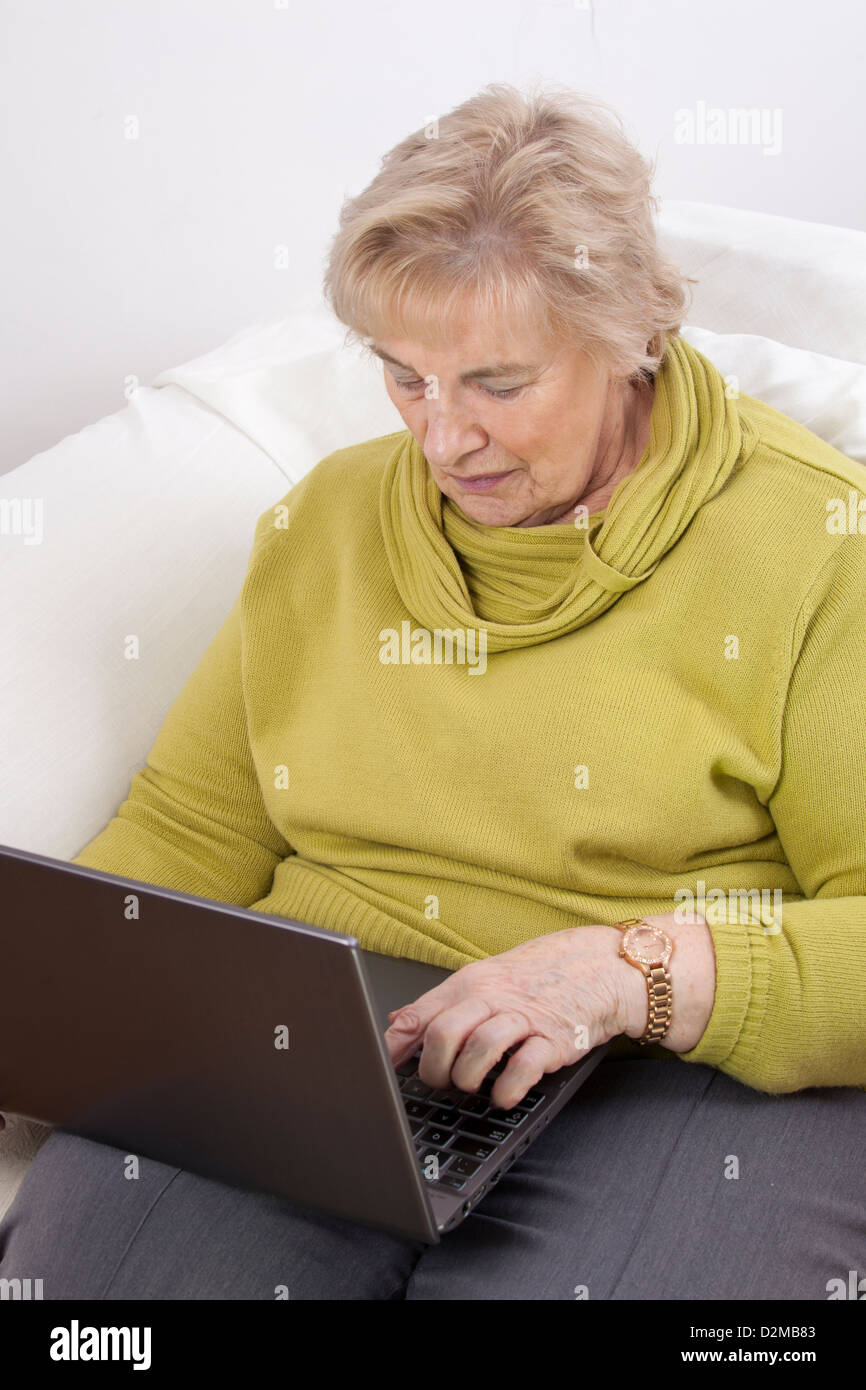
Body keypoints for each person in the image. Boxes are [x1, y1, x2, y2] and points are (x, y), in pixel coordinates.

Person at [2, 82, 864, 1301]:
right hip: (328, 1036)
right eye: (404, 377)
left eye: (496, 384)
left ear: (630, 339)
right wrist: (48, 999)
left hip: (679, 1064)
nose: (440, 439)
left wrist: (634, 972)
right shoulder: (328, 521)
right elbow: (195, 826)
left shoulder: (823, 545)